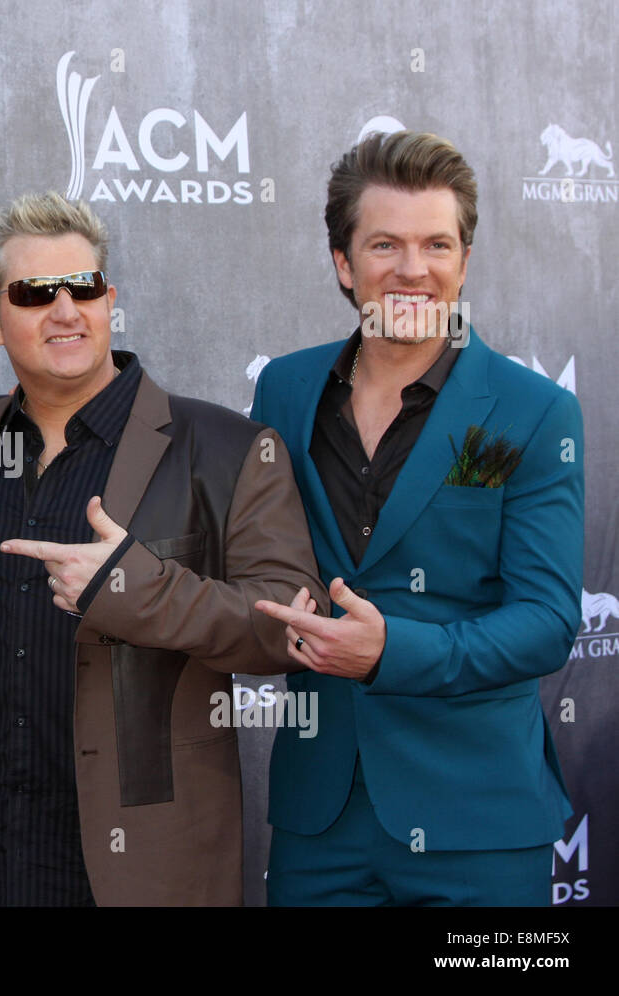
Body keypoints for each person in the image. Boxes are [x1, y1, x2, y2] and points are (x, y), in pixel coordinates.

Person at [0, 191, 326, 906]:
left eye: (84, 287)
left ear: (109, 300)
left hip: (134, 870)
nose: (65, 310)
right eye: (35, 293)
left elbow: (289, 626)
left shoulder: (223, 448)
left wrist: (136, 589)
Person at [252, 130, 584, 905]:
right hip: (319, 821)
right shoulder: (286, 391)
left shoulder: (529, 413)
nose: (412, 269)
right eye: (384, 245)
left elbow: (544, 620)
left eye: (437, 243)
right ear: (343, 263)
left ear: (464, 260)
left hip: (478, 819)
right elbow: (258, 562)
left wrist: (388, 651)